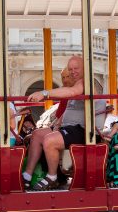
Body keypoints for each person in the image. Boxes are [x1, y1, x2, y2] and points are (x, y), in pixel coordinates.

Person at [23, 56, 106, 191]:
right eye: (70, 69)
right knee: (37, 134)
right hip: (70, 128)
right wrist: (56, 124)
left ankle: (52, 177)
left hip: (84, 130)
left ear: (85, 68)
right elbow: (67, 109)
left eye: (76, 68)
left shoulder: (87, 82)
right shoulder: (76, 84)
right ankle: (27, 175)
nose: (73, 72)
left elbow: (72, 92)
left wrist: (44, 93)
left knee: (50, 140)